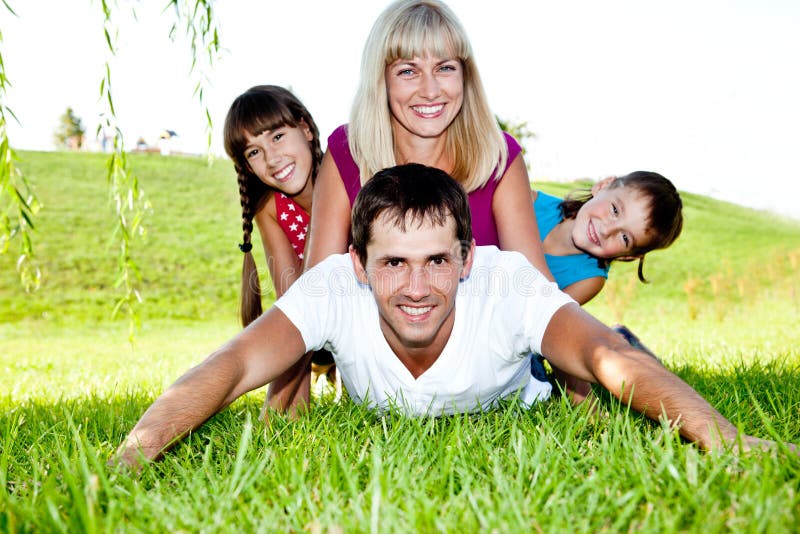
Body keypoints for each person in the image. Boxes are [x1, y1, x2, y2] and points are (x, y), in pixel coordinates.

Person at [114, 164, 790, 470]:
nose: (417, 288)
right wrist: (137, 451)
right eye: (393, 263)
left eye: (437, 260)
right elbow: (234, 363)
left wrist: (723, 438)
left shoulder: (507, 281)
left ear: (467, 257)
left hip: (526, 392)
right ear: (358, 264)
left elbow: (604, 356)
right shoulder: (333, 287)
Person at [272, 0, 556, 410]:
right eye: (408, 71)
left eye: (445, 68)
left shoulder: (499, 157)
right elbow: (314, 295)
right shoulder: (347, 153)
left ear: (466, 75)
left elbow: (538, 291)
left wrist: (580, 393)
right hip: (388, 378)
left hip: (491, 374)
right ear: (381, 79)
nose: (430, 90)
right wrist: (284, 406)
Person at [222, 85, 337, 412]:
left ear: (306, 129)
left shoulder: (346, 175)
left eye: (277, 137)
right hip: (320, 320)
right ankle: (287, 410)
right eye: (254, 152)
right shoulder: (271, 208)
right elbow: (293, 303)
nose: (272, 159)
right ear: (247, 166)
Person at [532, 171, 683, 402]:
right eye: (615, 210)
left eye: (625, 238)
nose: (606, 230)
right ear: (603, 186)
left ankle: (623, 348)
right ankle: (618, 338)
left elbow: (552, 325)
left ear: (628, 256)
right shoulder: (529, 202)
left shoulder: (589, 279)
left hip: (524, 337)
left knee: (528, 381)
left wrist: (584, 404)